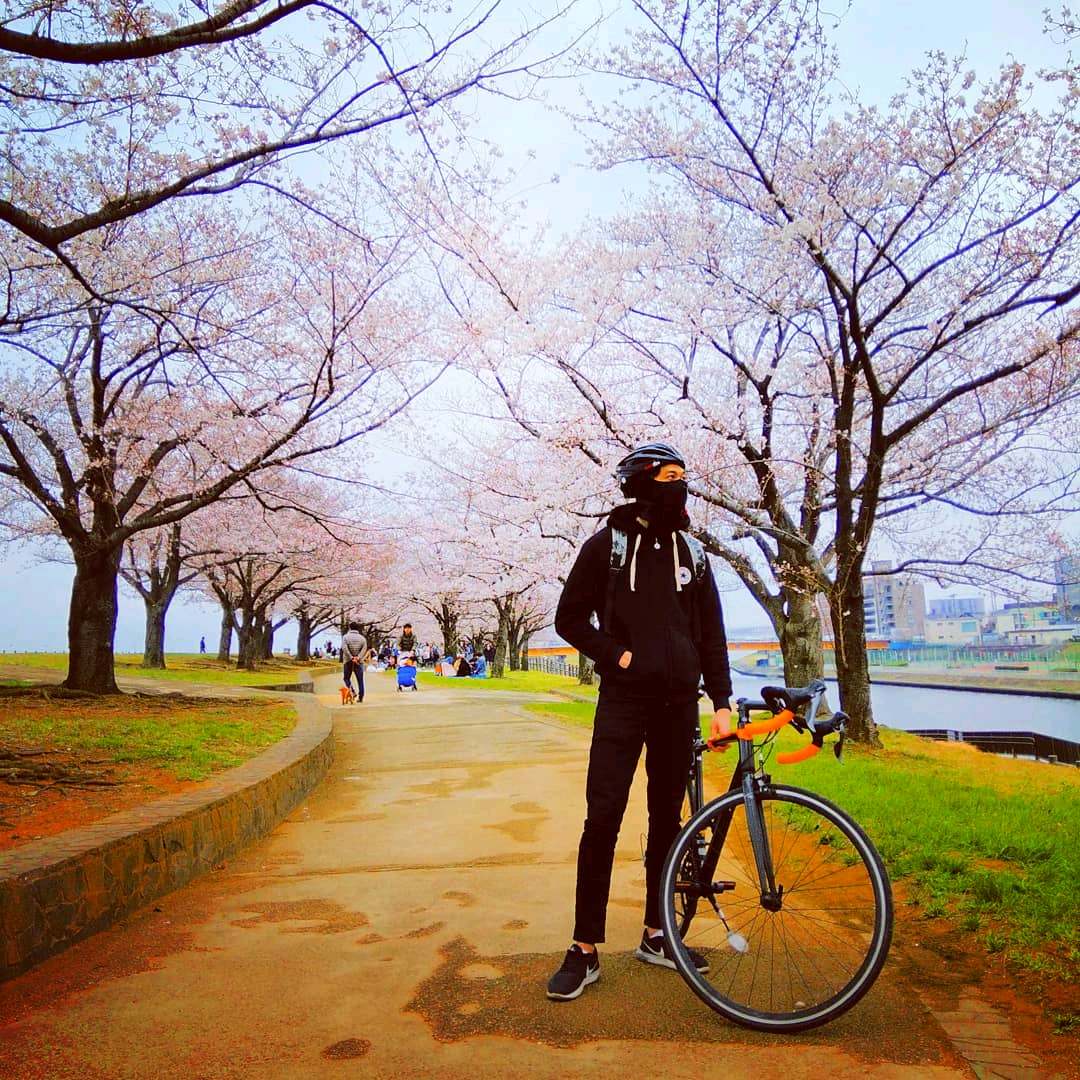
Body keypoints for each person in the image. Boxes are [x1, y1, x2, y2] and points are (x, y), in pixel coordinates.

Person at [545, 441, 733, 1002]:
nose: (679, 485)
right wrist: (618, 656)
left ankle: (658, 934)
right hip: (623, 704)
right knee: (602, 818)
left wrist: (721, 703)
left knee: (667, 822)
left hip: (680, 707)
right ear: (642, 483)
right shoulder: (605, 547)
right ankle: (584, 947)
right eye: (669, 476)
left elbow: (712, 636)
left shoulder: (694, 556)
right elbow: (569, 619)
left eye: (684, 476)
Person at [341, 621, 368, 702]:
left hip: (348, 661)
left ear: (350, 628)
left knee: (346, 678)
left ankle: (352, 691)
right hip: (359, 662)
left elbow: (344, 648)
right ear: (358, 628)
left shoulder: (345, 637)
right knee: (360, 680)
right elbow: (364, 649)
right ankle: (361, 697)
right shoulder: (362, 638)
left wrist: (351, 657)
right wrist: (358, 658)